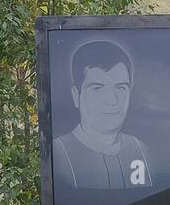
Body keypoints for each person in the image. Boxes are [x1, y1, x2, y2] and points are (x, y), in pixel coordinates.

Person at [52, 39, 152, 192]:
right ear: (75, 95)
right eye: (97, 88)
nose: (112, 100)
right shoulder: (58, 153)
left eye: (121, 88)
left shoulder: (139, 149)